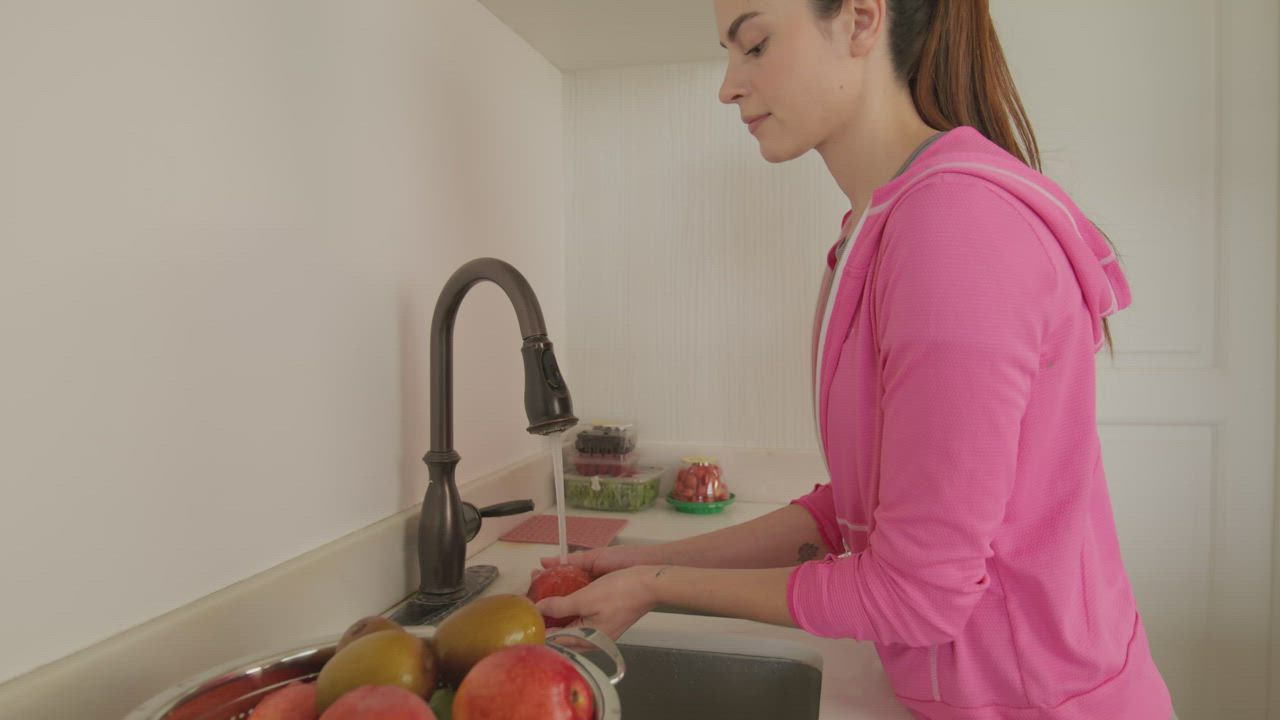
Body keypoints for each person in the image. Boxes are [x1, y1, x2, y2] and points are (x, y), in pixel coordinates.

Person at [535, 1, 1176, 718]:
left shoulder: (954, 232)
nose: (728, 85)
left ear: (863, 20)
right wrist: (649, 563)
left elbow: (918, 594)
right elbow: (859, 507)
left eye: (754, 44)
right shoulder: (883, 225)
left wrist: (657, 585)